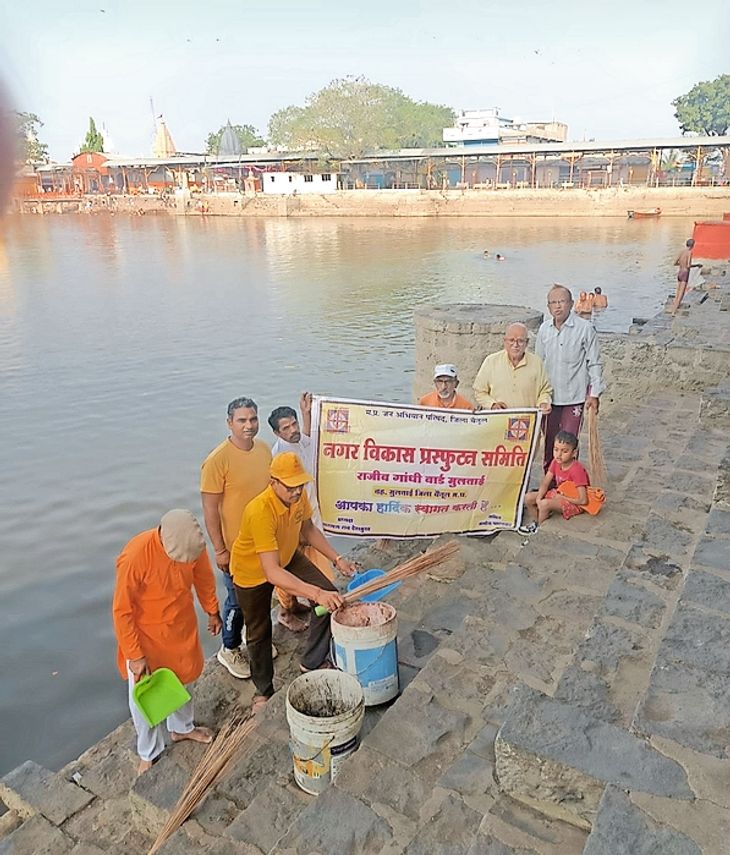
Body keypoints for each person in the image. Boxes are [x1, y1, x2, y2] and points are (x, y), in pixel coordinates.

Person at [230, 453, 358, 713]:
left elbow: (308, 531)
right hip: (253, 572)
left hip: (287, 555)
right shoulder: (260, 510)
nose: (297, 491)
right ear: (273, 482)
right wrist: (315, 593)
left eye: (300, 485)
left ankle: (311, 660)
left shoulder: (297, 499)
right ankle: (263, 690)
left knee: (331, 596)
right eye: (290, 486)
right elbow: (272, 573)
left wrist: (337, 558)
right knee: (258, 631)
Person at [112, 510, 222, 774]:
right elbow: (122, 611)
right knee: (144, 700)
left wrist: (212, 610)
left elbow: (204, 578)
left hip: (180, 626)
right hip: (145, 638)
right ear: (162, 538)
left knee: (185, 680)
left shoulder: (192, 546)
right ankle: (148, 751)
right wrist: (135, 654)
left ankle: (182, 729)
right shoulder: (136, 555)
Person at [200, 397, 279, 681]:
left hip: (264, 542)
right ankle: (229, 647)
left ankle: (253, 640)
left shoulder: (263, 450)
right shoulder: (217, 460)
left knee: (261, 595)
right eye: (242, 420)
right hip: (235, 547)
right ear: (229, 423)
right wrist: (220, 550)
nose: (249, 426)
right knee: (236, 600)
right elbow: (209, 509)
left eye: (253, 419)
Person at [536, 285, 605, 471]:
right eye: (553, 302)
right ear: (548, 306)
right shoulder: (544, 330)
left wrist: (595, 393)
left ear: (571, 304)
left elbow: (594, 363)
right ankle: (550, 484)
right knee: (550, 441)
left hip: (574, 397)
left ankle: (568, 483)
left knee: (568, 443)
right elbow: (538, 364)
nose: (558, 306)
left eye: (562, 301)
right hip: (549, 398)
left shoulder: (585, 329)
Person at [269, 393, 335, 587]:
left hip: (310, 515)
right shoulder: (280, 456)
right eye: (286, 428)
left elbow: (306, 438)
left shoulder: (299, 441)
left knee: (315, 567)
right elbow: (282, 497)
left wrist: (306, 414)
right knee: (308, 571)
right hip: (297, 522)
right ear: (277, 433)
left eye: (294, 424)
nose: (293, 430)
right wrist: (299, 532)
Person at [473, 322, 552, 413]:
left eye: (520, 341)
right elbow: (479, 392)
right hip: (497, 421)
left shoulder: (537, 363)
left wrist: (543, 402)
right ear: (504, 341)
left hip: (527, 421)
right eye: (511, 340)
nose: (515, 345)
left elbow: (545, 391)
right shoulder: (491, 361)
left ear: (527, 343)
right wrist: (492, 404)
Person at [520, 431, 589, 532]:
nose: (559, 455)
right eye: (556, 450)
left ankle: (539, 528)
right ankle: (536, 521)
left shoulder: (576, 470)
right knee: (528, 498)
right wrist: (539, 498)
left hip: (574, 503)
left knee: (544, 504)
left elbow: (583, 500)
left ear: (574, 453)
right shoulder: (555, 462)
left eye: (564, 451)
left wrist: (562, 497)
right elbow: (545, 482)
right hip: (559, 493)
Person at [671, 238, 702, 316]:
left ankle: (673, 308)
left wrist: (681, 265)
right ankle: (673, 312)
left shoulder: (681, 252)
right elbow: (688, 265)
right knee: (681, 294)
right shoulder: (689, 252)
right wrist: (697, 265)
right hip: (685, 273)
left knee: (677, 293)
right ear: (692, 245)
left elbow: (674, 263)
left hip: (680, 272)